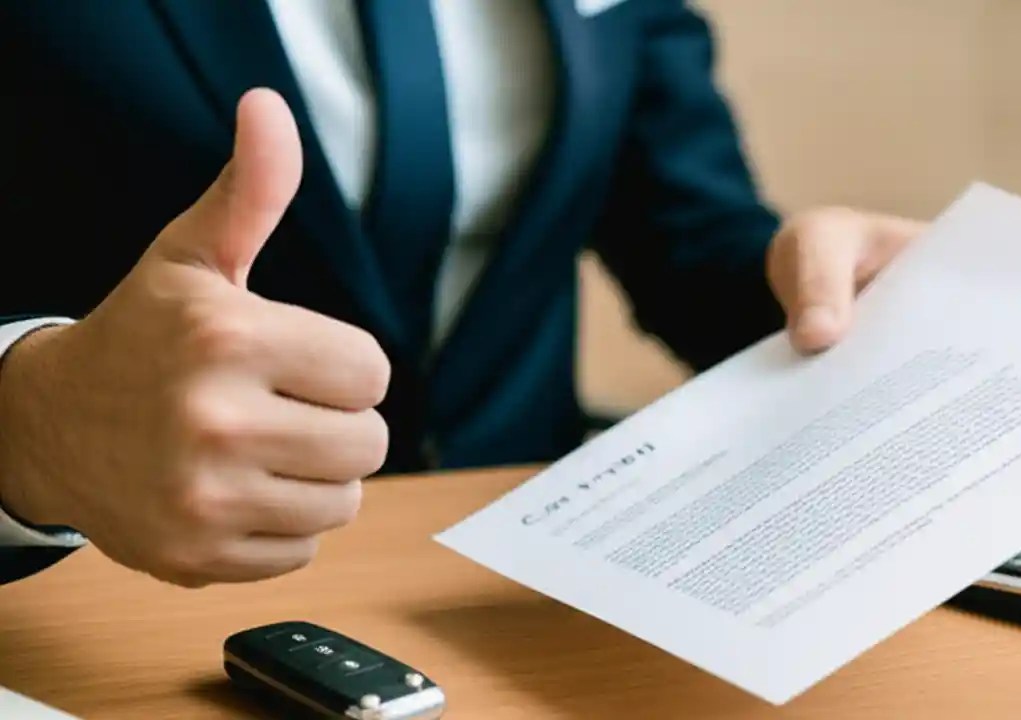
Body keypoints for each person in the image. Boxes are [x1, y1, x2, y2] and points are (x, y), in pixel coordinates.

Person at [0, 1, 923, 588]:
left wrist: (821, 296)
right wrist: (29, 426)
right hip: (117, 597)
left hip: (522, 584)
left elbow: (691, 243)